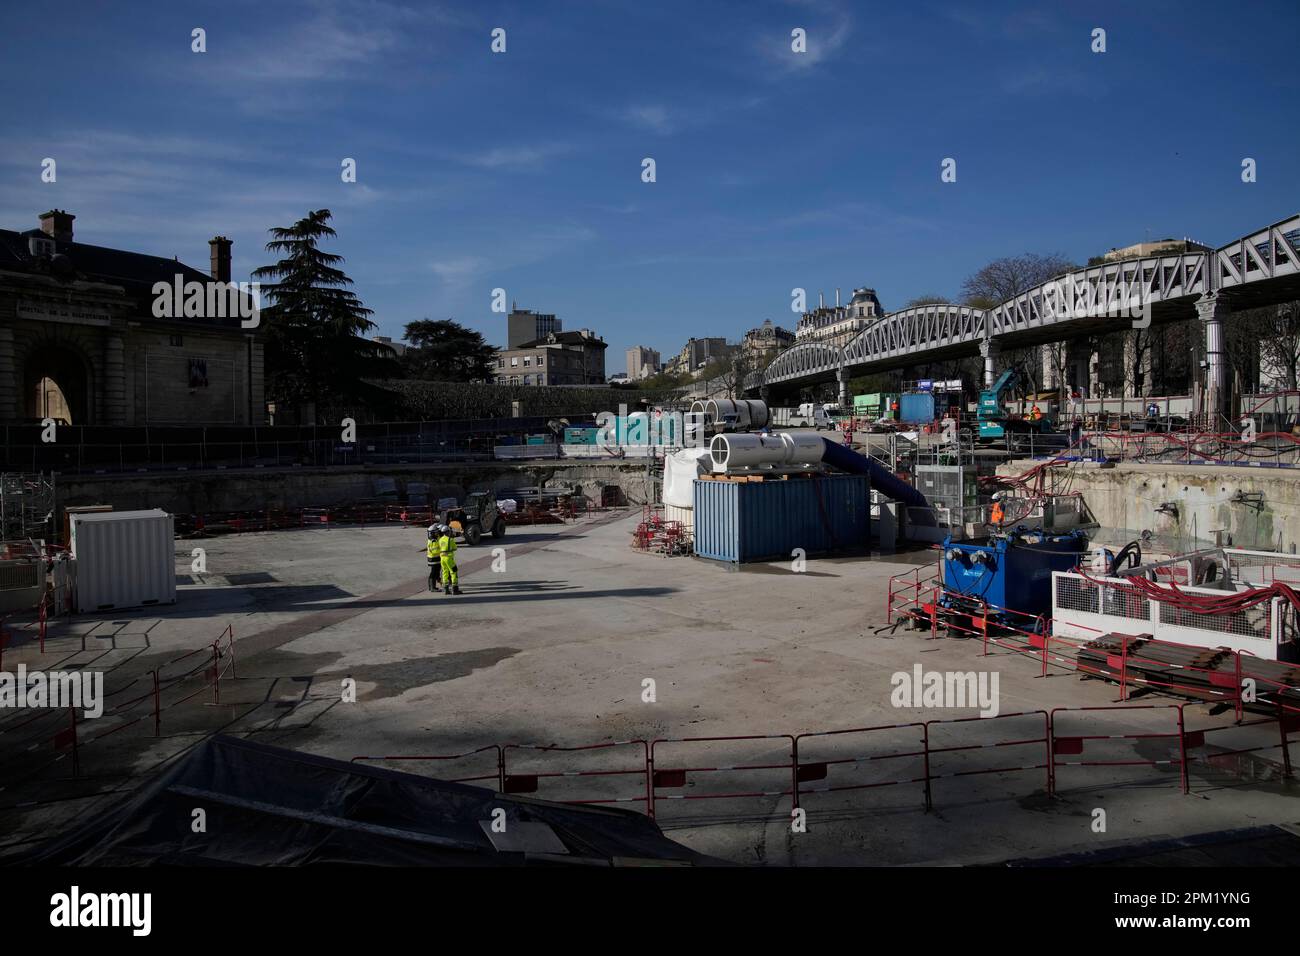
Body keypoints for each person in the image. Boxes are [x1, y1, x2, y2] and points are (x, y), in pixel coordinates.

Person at [436, 523, 462, 595]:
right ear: (447, 531)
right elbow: (455, 548)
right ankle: (455, 589)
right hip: (449, 558)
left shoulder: (440, 539)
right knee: (453, 572)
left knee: (445, 572)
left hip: (442, 558)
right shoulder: (450, 539)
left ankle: (446, 589)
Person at [424, 525, 441, 592]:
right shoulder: (433, 541)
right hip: (433, 558)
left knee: (436, 571)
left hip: (436, 558)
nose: (437, 533)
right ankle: (432, 587)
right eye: (436, 532)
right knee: (433, 573)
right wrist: (442, 551)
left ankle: (436, 582)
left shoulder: (435, 538)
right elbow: (435, 551)